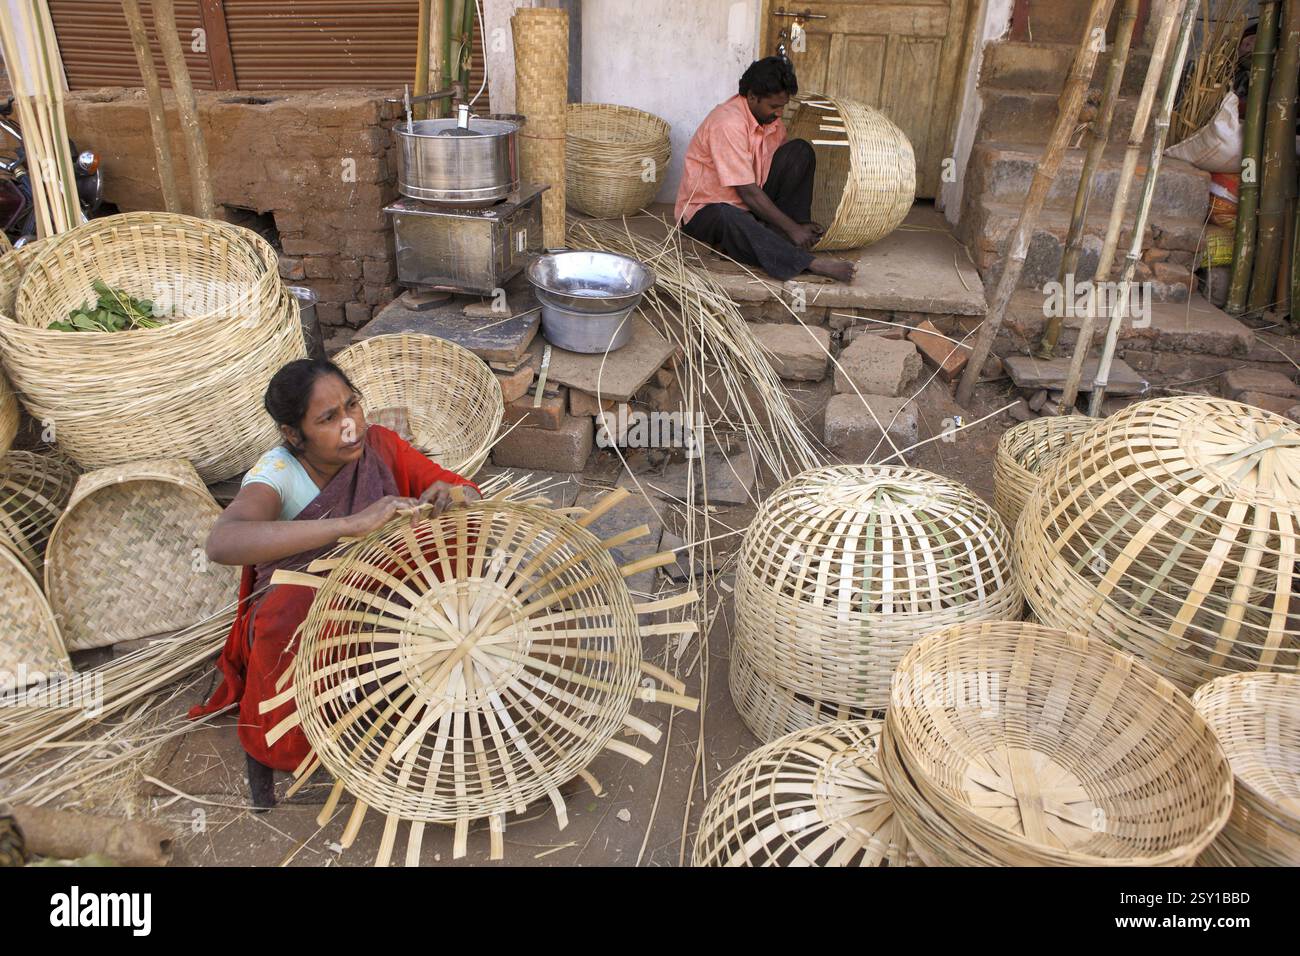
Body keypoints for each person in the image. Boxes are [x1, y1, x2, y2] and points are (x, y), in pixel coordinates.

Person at [188, 358, 481, 804]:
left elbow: (470, 496)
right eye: (328, 419)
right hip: (315, 635)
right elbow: (223, 543)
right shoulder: (278, 475)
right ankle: (313, 727)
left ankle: (418, 676)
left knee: (457, 538)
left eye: (353, 406)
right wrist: (348, 525)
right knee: (287, 603)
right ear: (293, 435)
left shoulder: (380, 446)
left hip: (389, 607)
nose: (350, 427)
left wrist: (449, 497)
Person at [675, 56, 856, 284]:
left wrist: (795, 224)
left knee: (799, 151)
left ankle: (781, 234)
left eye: (783, 106)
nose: (779, 113)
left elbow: (773, 175)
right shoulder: (728, 123)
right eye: (774, 106)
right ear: (752, 97)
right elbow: (747, 192)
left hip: (750, 208)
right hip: (708, 212)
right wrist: (791, 228)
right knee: (727, 215)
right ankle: (806, 262)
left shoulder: (771, 121)